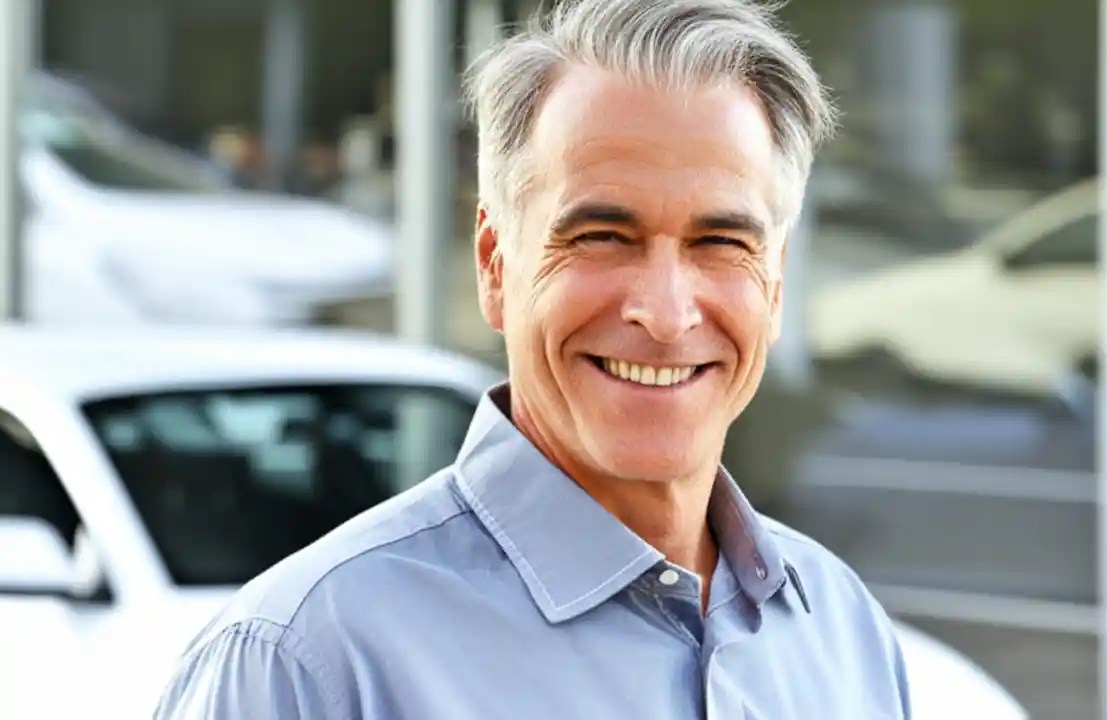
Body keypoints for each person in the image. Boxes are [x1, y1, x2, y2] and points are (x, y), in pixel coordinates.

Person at [153, 1, 911, 717]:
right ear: (493, 263)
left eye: (721, 242)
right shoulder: (307, 664)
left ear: (774, 285)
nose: (666, 310)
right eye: (601, 237)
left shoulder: (844, 634)